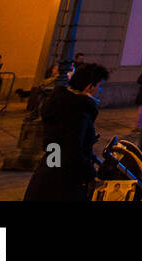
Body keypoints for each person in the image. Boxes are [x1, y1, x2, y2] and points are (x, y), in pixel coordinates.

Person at [23, 63, 109, 201]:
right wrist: (90, 174)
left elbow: (56, 144)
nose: (100, 90)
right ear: (90, 86)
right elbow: (74, 149)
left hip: (50, 168)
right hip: (66, 178)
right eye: (100, 85)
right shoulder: (78, 110)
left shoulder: (62, 103)